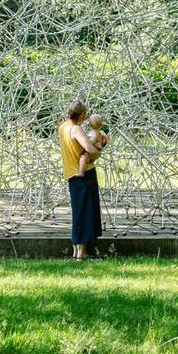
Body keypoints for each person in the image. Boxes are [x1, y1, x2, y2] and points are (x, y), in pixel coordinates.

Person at [57, 100, 105, 261]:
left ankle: (76, 251)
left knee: (78, 211)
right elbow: (89, 148)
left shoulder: (63, 126)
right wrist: (98, 152)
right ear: (82, 115)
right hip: (85, 175)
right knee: (85, 212)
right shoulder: (76, 129)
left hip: (72, 174)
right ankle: (81, 252)